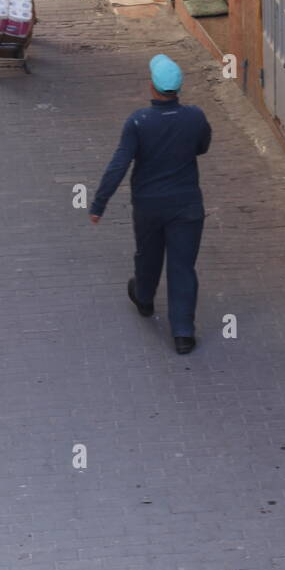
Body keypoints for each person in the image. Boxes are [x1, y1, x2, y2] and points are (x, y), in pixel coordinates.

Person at [89, 55, 211, 355]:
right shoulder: (195, 116)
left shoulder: (139, 122)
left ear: (153, 87)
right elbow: (203, 147)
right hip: (187, 204)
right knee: (182, 266)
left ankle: (144, 297)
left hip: (149, 205)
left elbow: (120, 164)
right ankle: (183, 333)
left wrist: (99, 203)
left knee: (148, 255)